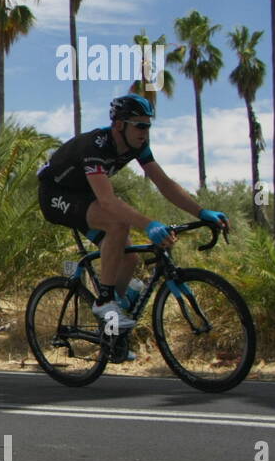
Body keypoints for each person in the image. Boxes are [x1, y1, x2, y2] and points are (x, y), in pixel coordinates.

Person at [38, 93, 229, 333]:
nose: (145, 132)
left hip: (85, 195)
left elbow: (164, 184)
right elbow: (107, 201)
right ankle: (104, 303)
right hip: (55, 194)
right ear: (119, 125)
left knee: (129, 258)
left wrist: (202, 212)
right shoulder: (95, 146)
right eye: (140, 125)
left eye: (148, 126)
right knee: (118, 224)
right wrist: (149, 225)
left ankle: (111, 335)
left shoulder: (137, 146)